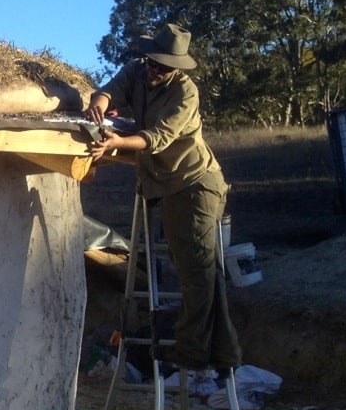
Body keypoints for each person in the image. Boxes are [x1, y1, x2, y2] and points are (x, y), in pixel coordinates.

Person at [85, 23, 241, 371]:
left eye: (164, 67)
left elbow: (158, 137)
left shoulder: (186, 93)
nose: (156, 71)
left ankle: (192, 354)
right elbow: (111, 89)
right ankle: (222, 353)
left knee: (199, 272)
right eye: (153, 63)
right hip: (160, 183)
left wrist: (117, 144)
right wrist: (99, 102)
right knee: (197, 269)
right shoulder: (137, 71)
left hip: (193, 184)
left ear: (177, 68)